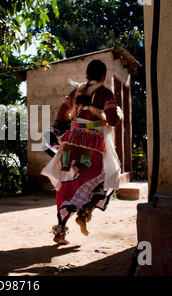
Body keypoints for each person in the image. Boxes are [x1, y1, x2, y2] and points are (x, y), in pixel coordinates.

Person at [41, 59, 122, 245]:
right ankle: (85, 212)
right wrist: (115, 112)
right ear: (103, 76)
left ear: (87, 75)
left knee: (69, 184)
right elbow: (112, 121)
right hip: (93, 144)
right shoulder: (104, 92)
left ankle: (60, 231)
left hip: (71, 142)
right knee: (108, 176)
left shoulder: (76, 91)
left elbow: (61, 116)